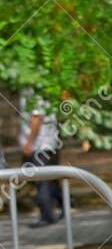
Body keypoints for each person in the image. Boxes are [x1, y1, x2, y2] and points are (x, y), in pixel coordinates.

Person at [19, 89, 63, 227]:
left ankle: (47, 216)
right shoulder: (45, 90)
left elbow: (37, 119)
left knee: (41, 181)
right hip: (47, 144)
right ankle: (65, 203)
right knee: (49, 180)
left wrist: (29, 142)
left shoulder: (33, 93)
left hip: (39, 146)